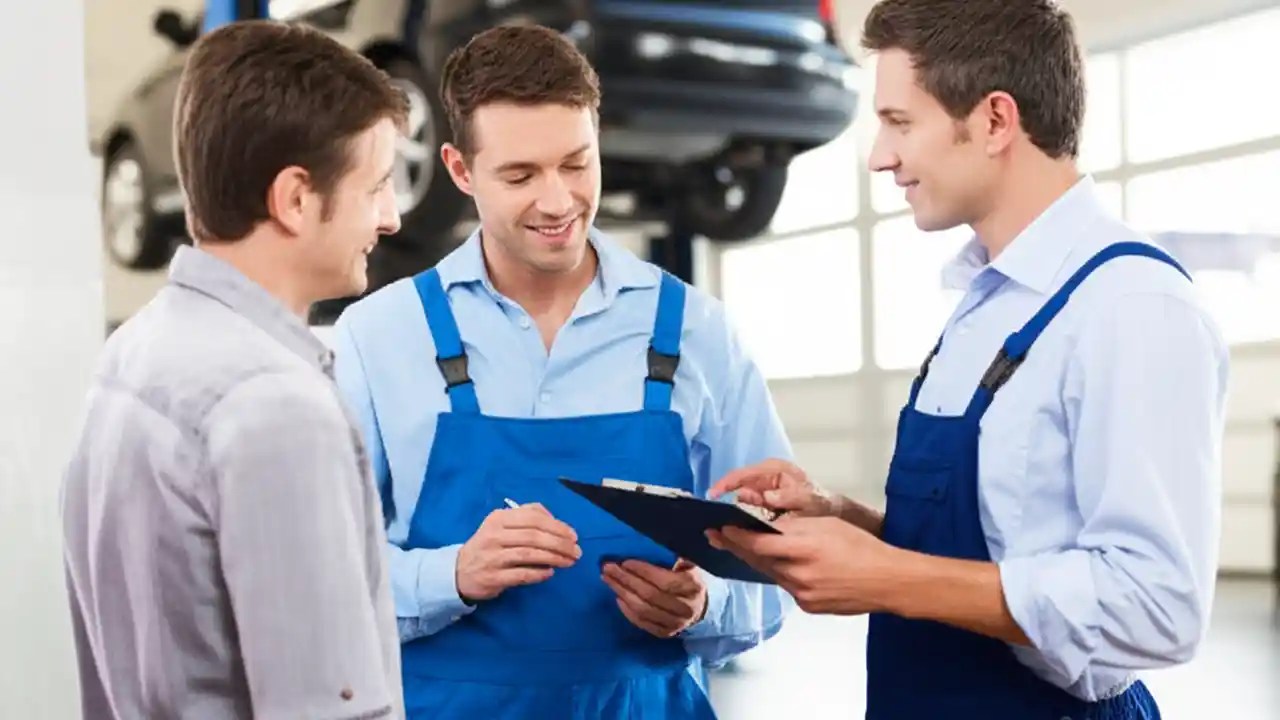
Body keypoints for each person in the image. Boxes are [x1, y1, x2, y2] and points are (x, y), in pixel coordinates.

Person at [707, 1, 1229, 718]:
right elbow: (1002, 538)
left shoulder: (1131, 306)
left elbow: (1157, 606)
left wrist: (888, 579)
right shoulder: (986, 301)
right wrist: (844, 521)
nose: (879, 156)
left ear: (993, 121)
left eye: (899, 122)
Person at [331, 24, 793, 720]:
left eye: (576, 164)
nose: (557, 203)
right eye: (519, 176)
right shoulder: (378, 338)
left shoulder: (697, 332)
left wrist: (705, 603)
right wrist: (449, 574)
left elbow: (775, 561)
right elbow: (324, 582)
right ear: (459, 170)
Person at [61, 21, 407, 720]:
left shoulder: (135, 354)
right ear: (296, 199)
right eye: (376, 186)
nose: (392, 216)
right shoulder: (277, 408)